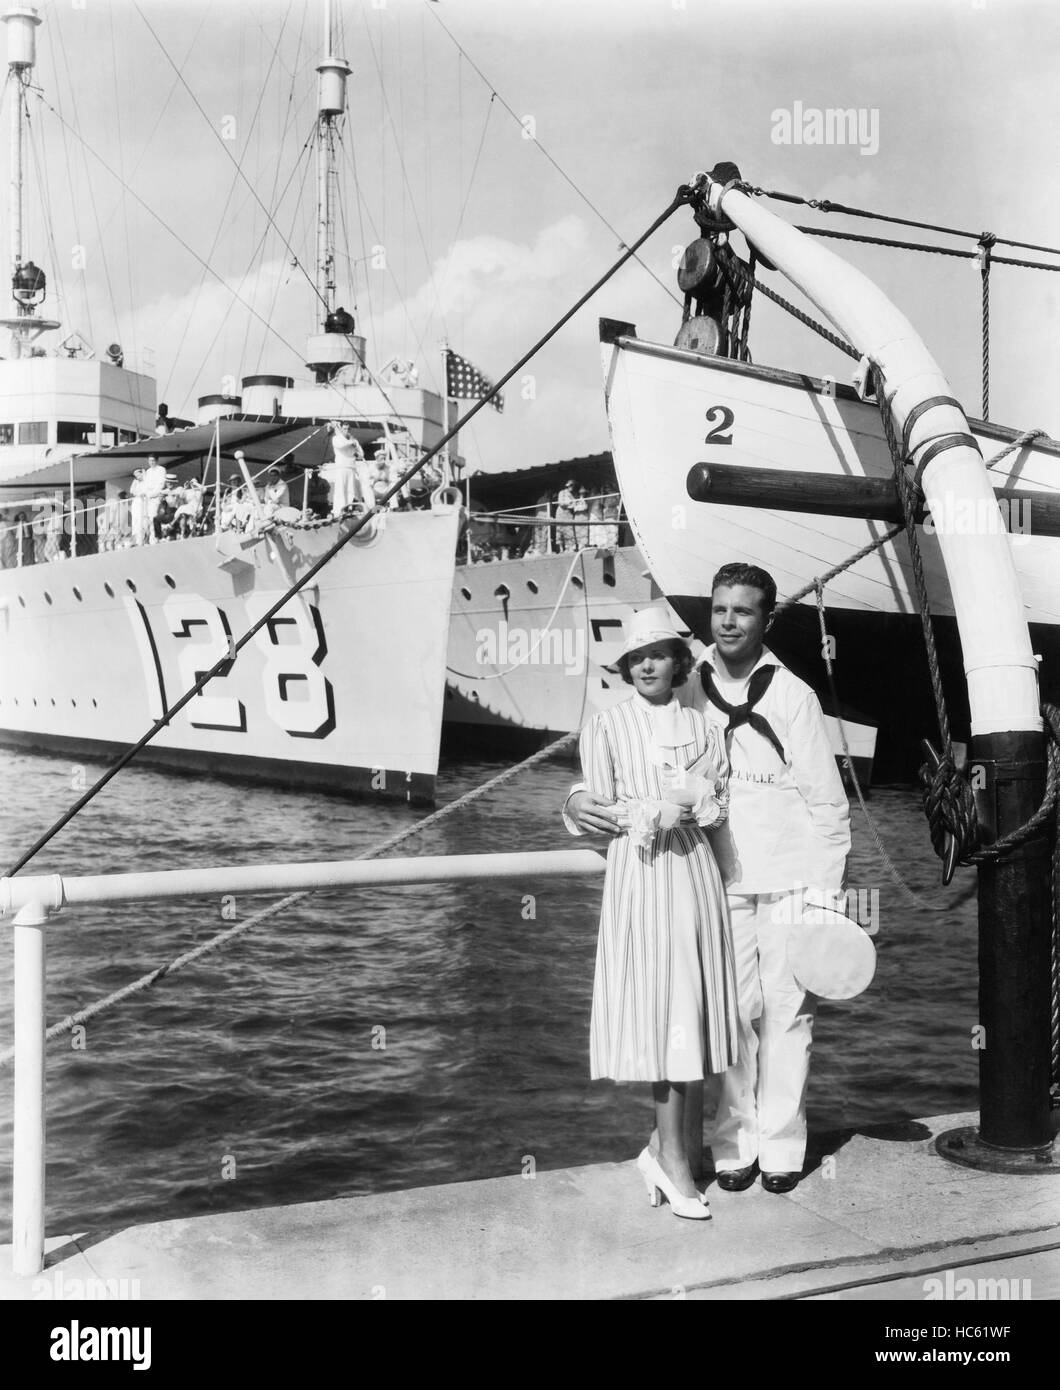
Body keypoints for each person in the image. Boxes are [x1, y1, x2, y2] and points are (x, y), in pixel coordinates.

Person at [565, 565, 850, 1194]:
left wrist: (826, 897)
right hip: (714, 879)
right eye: (720, 610)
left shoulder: (794, 697)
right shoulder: (687, 688)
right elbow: (637, 751)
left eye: (743, 611)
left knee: (787, 1014)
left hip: (788, 876)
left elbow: (830, 806)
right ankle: (733, 1143)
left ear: (765, 620)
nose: (728, 622)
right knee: (732, 1016)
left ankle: (780, 1145)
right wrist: (579, 796)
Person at [574, 605, 737, 1220]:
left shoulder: (704, 727)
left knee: (692, 1006)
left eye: (660, 653)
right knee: (664, 1008)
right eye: (637, 656)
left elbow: (718, 802)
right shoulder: (607, 725)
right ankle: (671, 1162)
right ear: (625, 666)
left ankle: (674, 1149)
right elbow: (594, 804)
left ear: (678, 662)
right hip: (641, 875)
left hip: (693, 872)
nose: (648, 664)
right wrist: (637, 811)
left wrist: (697, 805)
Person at [554, 479, 576, 552]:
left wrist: (570, 505)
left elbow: (574, 504)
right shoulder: (562, 492)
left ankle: (569, 548)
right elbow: (561, 503)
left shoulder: (572, 495)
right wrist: (569, 504)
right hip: (561, 513)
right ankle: (561, 548)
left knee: (569, 530)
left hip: (568, 513)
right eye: (570, 485)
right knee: (560, 530)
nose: (571, 487)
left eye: (572, 485)